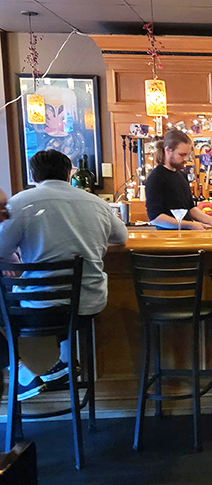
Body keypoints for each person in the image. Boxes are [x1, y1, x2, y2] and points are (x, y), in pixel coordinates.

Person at [0, 150, 128, 400]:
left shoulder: (21, 202)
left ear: (33, 174)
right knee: (65, 308)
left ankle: (26, 371)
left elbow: (2, 248)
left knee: (8, 302)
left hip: (38, 308)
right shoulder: (97, 203)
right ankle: (64, 361)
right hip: (87, 304)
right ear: (69, 173)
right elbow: (121, 238)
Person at [145, 129, 212, 230]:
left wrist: (210, 220)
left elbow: (190, 209)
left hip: (186, 238)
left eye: (187, 155)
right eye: (182, 155)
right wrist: (191, 225)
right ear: (168, 150)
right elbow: (156, 218)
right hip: (168, 240)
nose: (185, 159)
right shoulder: (156, 178)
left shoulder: (181, 175)